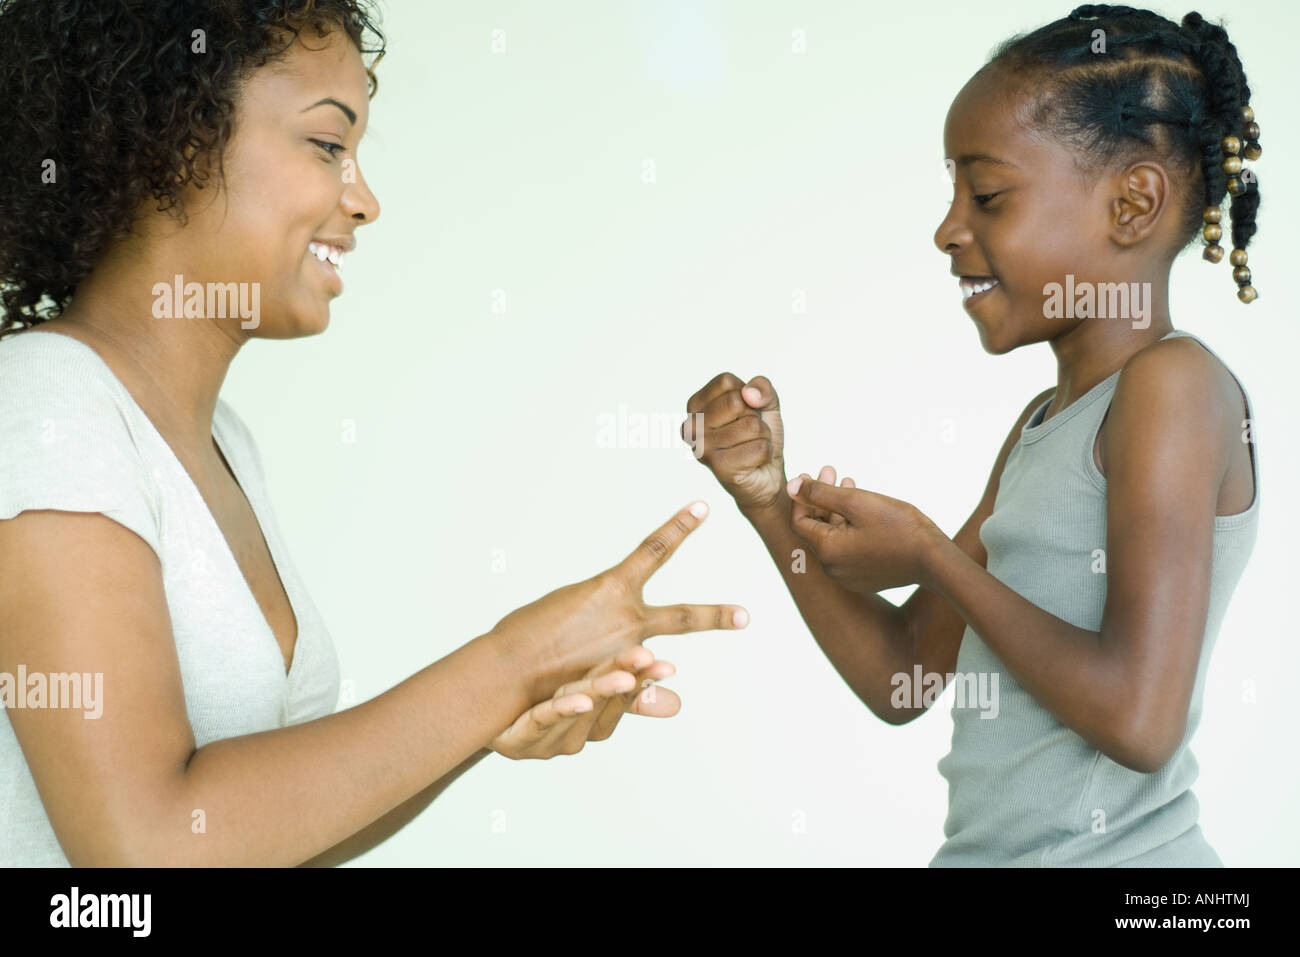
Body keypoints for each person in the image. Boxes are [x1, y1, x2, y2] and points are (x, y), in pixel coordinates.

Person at [0, 0, 748, 867]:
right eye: (327, 145)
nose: (364, 200)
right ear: (170, 142)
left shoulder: (223, 443)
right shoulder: (44, 406)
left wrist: (496, 712)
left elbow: (272, 838)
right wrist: (508, 662)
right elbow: (149, 848)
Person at [685, 4, 1261, 866]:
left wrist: (929, 553)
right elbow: (904, 672)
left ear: (1133, 202)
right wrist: (769, 503)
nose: (949, 228)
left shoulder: (1175, 388)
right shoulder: (1041, 428)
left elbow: (1140, 720)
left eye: (986, 194)